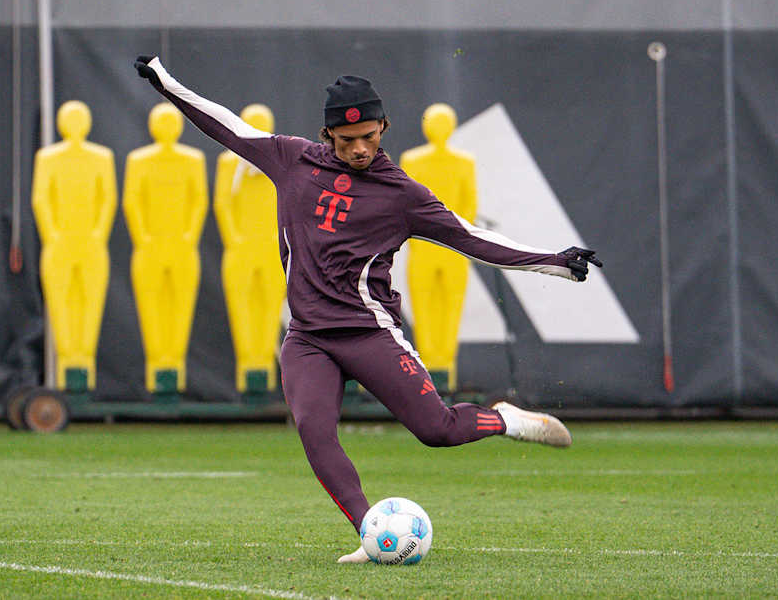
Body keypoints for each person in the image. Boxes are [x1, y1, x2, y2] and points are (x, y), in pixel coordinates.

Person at [135, 56, 600, 562]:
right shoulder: (291, 160)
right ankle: (372, 533)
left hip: (368, 332)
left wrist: (556, 262)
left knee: (438, 431)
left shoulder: (401, 194)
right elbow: (227, 126)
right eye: (347, 139)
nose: (359, 148)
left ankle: (505, 420)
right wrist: (166, 83)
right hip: (308, 337)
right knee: (314, 432)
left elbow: (471, 238)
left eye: (369, 137)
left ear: (384, 129)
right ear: (327, 135)